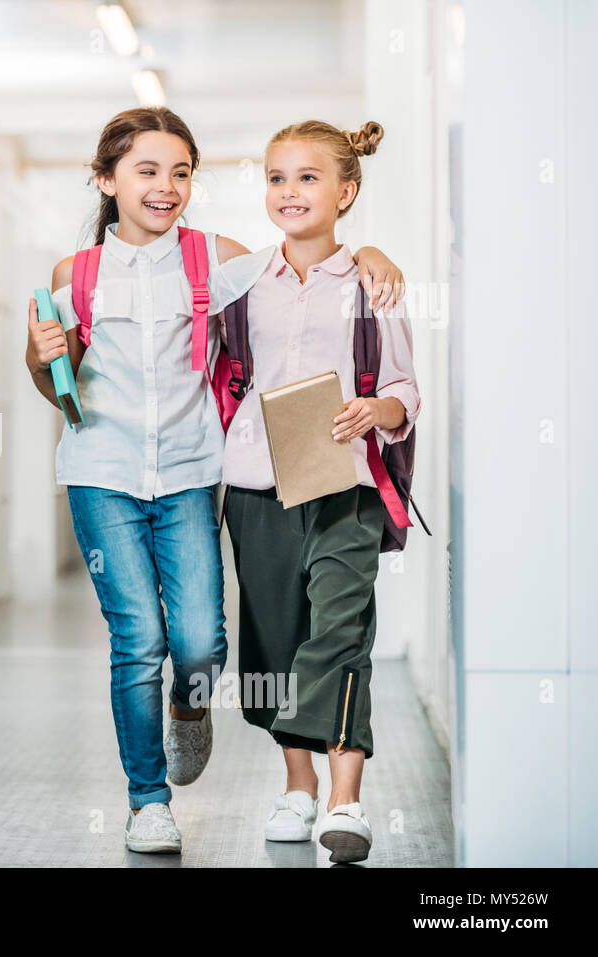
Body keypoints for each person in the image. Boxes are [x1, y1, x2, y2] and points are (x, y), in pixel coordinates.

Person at [23, 106, 406, 855]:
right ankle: (146, 800)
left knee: (200, 641)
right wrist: (42, 358)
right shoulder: (77, 274)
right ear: (106, 179)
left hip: (193, 473)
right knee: (137, 637)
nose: (166, 186)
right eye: (146, 170)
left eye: (180, 171)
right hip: (102, 473)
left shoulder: (221, 260)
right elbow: (58, 388)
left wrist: (374, 253)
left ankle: (189, 709)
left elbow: (301, 259)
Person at [222, 121, 419, 864]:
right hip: (256, 482)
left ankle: (345, 800)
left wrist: (379, 410)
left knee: (340, 626)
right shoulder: (241, 283)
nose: (290, 192)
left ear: (347, 191)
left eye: (308, 178)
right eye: (277, 177)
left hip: (347, 484)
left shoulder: (376, 284)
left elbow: (405, 390)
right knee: (275, 636)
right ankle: (297, 784)